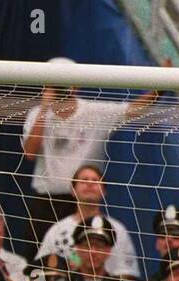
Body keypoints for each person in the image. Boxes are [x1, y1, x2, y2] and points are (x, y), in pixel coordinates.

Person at [21, 58, 158, 243]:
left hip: (84, 202)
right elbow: (30, 152)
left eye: (67, 81)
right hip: (47, 201)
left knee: (87, 257)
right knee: (42, 260)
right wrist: (45, 109)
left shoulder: (95, 112)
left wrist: (161, 86)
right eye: (57, 82)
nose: (63, 87)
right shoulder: (37, 114)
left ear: (77, 84)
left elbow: (134, 110)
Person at [36, 164, 140, 280]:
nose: (90, 184)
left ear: (104, 191)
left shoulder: (117, 230)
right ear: (73, 191)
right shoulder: (57, 230)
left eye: (95, 180)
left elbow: (128, 273)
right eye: (84, 180)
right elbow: (40, 269)